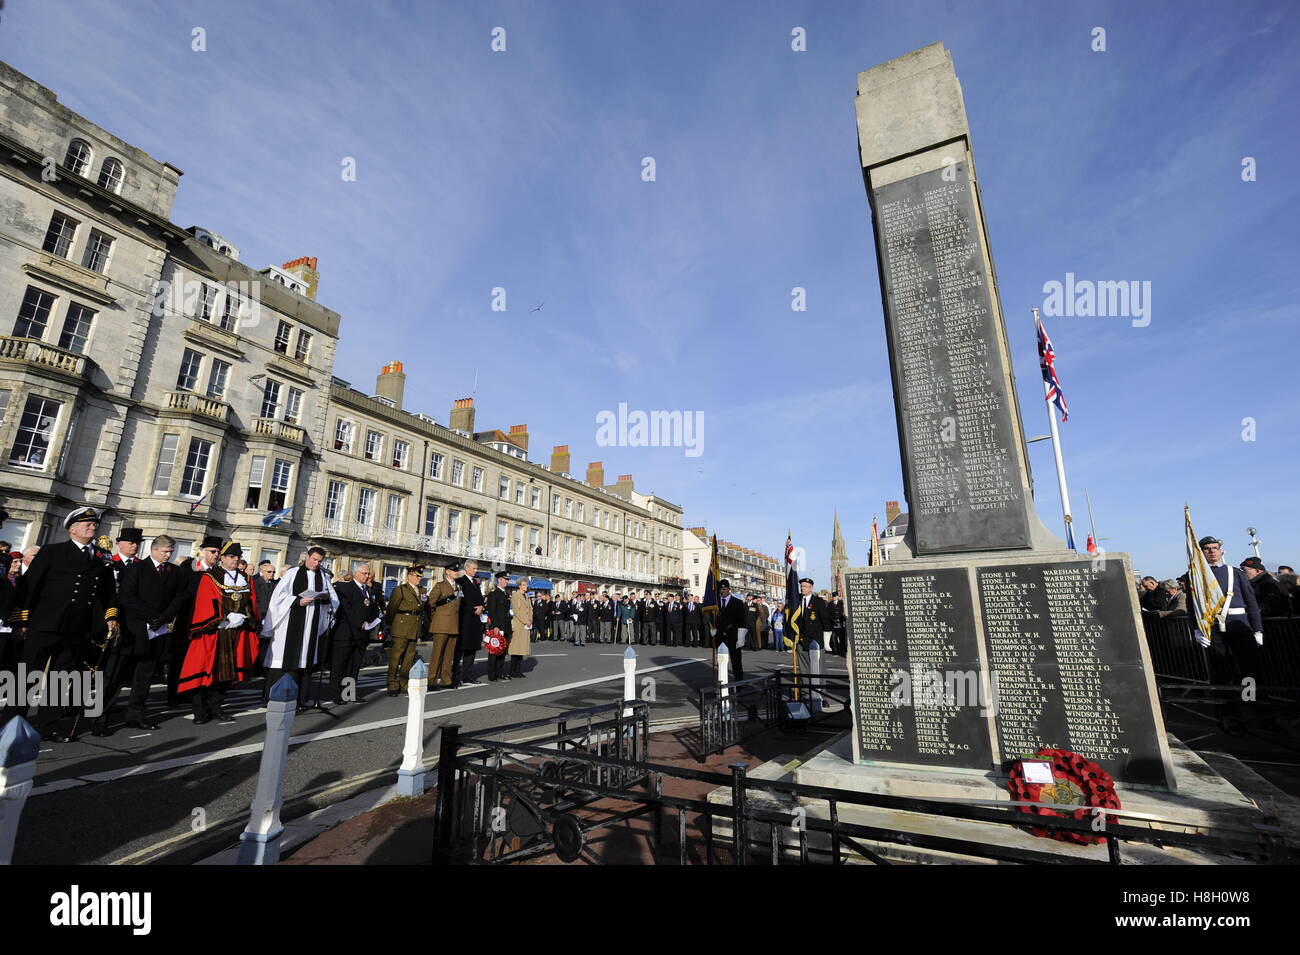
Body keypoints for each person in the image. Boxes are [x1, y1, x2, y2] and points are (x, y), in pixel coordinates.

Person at [6, 507, 118, 742]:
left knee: (61, 678)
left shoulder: (100, 558)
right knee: (29, 675)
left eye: (94, 523)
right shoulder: (52, 552)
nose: (92, 526)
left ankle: (48, 726)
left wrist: (110, 617)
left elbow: (107, 593)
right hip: (44, 624)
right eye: (86, 523)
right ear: (72, 529)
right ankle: (13, 722)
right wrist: (22, 620)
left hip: (76, 628)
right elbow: (29, 587)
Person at [92, 534, 182, 735]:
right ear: (154, 550)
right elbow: (127, 597)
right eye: (165, 551)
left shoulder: (174, 572)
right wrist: (150, 616)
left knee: (145, 676)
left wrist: (165, 617)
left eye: (170, 552)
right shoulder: (136, 569)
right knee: (115, 676)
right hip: (132, 629)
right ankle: (100, 718)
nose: (168, 555)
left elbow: (178, 597)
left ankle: (135, 715)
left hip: (157, 631)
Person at [178, 541, 261, 725]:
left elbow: (252, 602)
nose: (235, 560)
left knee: (226, 673)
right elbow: (205, 601)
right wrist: (224, 617)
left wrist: (244, 616)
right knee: (205, 670)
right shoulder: (210, 577)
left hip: (236, 632)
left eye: (237, 557)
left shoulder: (246, 579)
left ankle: (216, 707)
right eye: (231, 557)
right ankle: (199, 710)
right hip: (214, 632)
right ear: (222, 558)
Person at [262, 546, 340, 707]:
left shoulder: (323, 577)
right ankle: (272, 697)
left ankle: (300, 699)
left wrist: (324, 599)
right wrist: (297, 601)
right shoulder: (293, 573)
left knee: (305, 661)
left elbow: (334, 600)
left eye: (319, 561)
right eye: (314, 559)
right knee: (285, 659)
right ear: (307, 557)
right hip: (290, 623)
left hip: (311, 625)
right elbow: (279, 597)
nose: (316, 563)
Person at [1194, 536, 1264, 713]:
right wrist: (1195, 628)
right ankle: (1227, 710)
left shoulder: (1235, 573)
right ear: (1201, 552)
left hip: (1239, 624)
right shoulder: (1195, 576)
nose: (1212, 551)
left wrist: (1257, 629)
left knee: (1249, 668)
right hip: (1213, 628)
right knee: (1220, 669)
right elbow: (1192, 604)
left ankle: (1254, 704)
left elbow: (1251, 602)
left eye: (1215, 547)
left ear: (1220, 550)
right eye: (1207, 548)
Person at [331, 563, 383, 704]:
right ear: (356, 574)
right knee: (340, 665)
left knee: (354, 666)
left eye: (368, 574)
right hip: (346, 633)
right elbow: (347, 610)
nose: (368, 576)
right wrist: (359, 623)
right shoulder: (345, 587)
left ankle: (349, 693)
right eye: (365, 574)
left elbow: (372, 608)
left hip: (361, 635)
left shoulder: (369, 590)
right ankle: (336, 694)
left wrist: (373, 621)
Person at [383, 565, 427, 696]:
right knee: (395, 657)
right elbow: (391, 609)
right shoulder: (400, 590)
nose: (419, 579)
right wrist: (391, 625)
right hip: (401, 626)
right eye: (416, 576)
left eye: (420, 577)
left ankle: (404, 683)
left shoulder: (422, 590)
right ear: (409, 576)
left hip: (414, 625)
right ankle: (392, 684)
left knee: (409, 658)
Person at [426, 564, 461, 689]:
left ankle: (446, 679)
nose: (456, 572)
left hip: (454, 624)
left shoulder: (458, 587)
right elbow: (431, 603)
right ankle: (432, 680)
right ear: (447, 572)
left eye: (457, 570)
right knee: (437, 653)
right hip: (441, 624)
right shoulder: (440, 585)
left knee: (448, 654)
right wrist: (436, 619)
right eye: (454, 570)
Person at [788, 578, 829, 680]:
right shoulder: (796, 600)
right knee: (804, 669)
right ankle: (806, 692)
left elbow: (825, 620)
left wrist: (825, 640)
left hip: (815, 640)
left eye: (805, 586)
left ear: (811, 588)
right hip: (801, 639)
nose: (802, 588)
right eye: (801, 586)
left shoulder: (818, 601)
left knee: (818, 670)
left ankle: (819, 693)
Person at [455, 560, 486, 686]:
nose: (475, 570)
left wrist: (482, 607)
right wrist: (474, 609)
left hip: (475, 620)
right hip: (465, 619)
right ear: (467, 568)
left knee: (472, 649)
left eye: (476, 568)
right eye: (473, 568)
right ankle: (456, 674)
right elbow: (461, 601)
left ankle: (467, 674)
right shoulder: (461, 581)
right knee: (461, 649)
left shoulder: (475, 582)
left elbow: (480, 599)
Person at [714, 579, 748, 679]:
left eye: (724, 589)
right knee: (720, 661)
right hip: (719, 635)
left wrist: (741, 637)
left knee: (736, 661)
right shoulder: (715, 603)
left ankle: (739, 685)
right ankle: (721, 684)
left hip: (733, 635)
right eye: (720, 589)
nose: (722, 591)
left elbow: (742, 621)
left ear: (729, 589)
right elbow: (712, 618)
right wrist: (712, 628)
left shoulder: (737, 603)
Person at [486, 571, 512, 681]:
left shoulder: (506, 594)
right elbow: (492, 611)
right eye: (505, 579)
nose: (507, 581)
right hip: (497, 626)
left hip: (505, 625)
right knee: (494, 650)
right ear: (499, 580)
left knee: (502, 650)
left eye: (507, 580)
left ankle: (500, 672)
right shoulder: (493, 594)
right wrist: (495, 625)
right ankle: (492, 674)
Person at [509, 576, 533, 679]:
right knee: (516, 648)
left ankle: (518, 669)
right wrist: (525, 621)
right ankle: (513, 670)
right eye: (524, 584)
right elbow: (517, 611)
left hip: (526, 625)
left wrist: (530, 619)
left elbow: (531, 609)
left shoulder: (527, 596)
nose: (526, 586)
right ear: (519, 586)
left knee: (522, 648)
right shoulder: (515, 595)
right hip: (519, 624)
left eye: (526, 584)